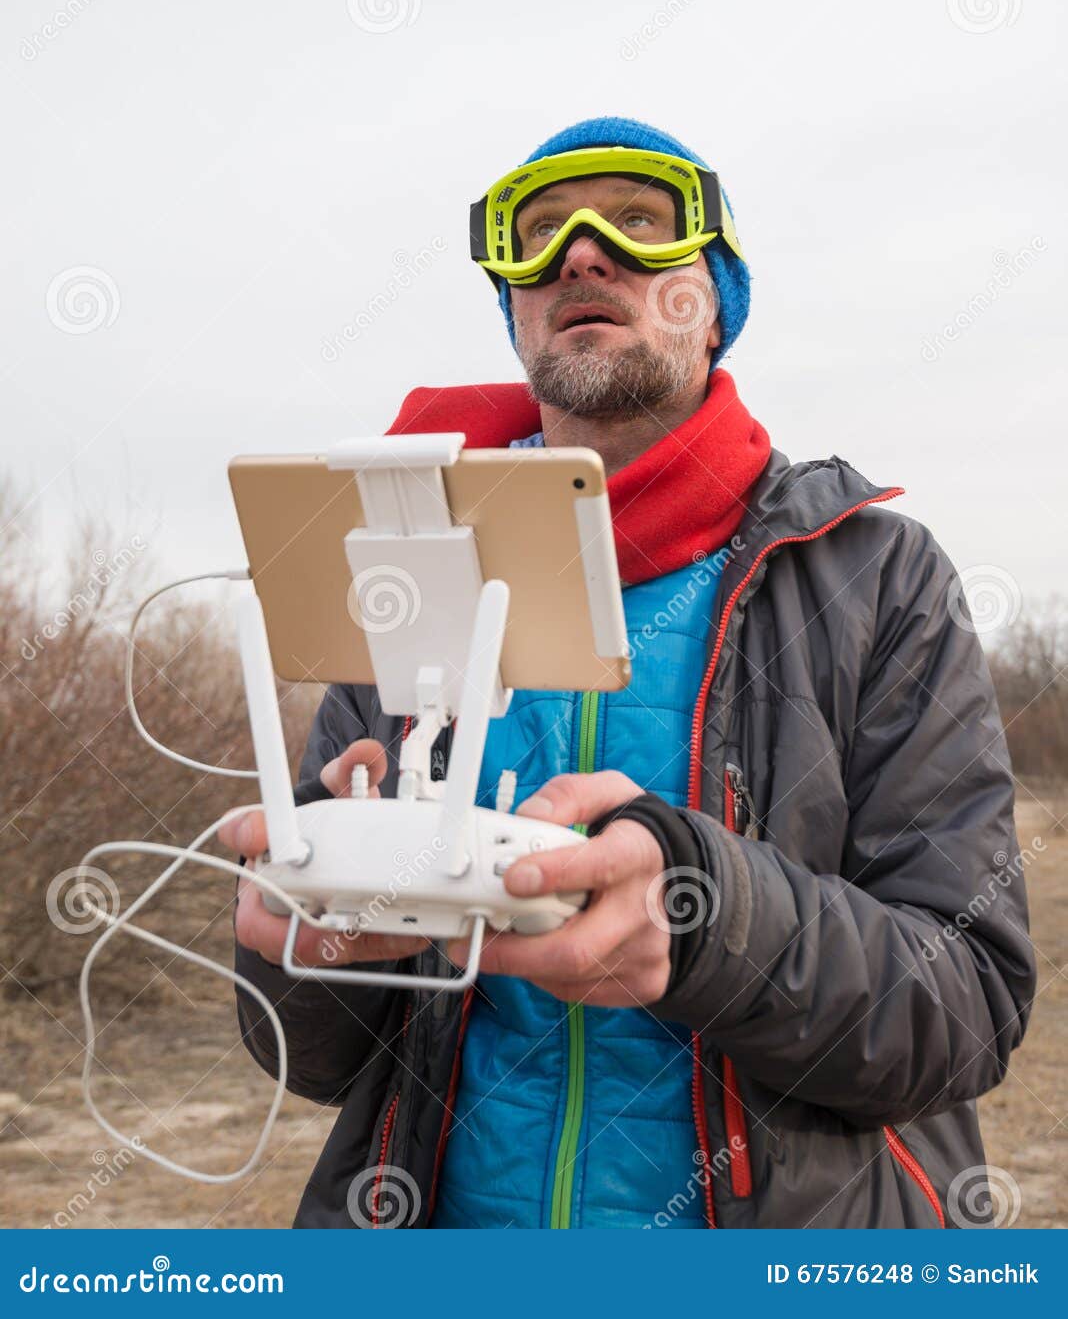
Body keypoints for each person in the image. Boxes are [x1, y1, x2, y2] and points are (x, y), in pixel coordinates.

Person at [222, 116, 1035, 1229]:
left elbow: (965, 1009)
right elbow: (313, 1061)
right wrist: (319, 933)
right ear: (511, 308)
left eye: (640, 225)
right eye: (539, 234)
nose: (583, 255)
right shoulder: (406, 563)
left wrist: (705, 918)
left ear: (717, 301)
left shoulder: (870, 577)